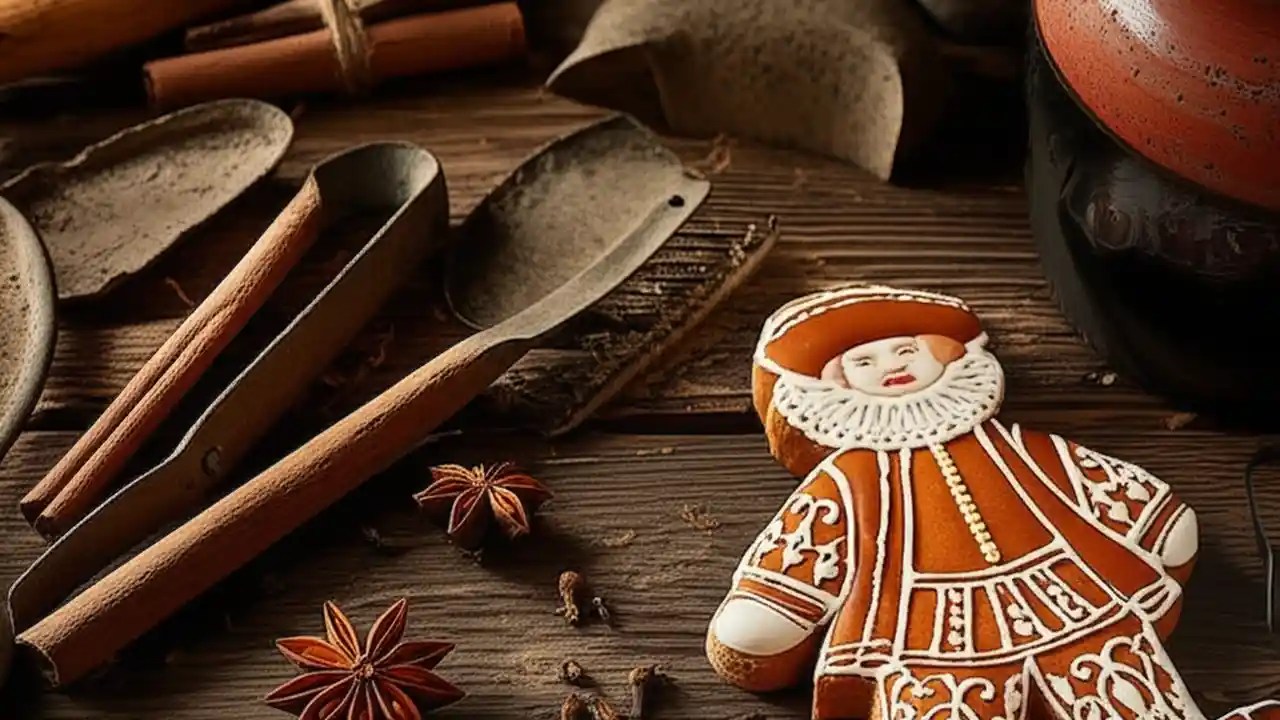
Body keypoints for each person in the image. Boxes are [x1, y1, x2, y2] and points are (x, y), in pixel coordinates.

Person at [706, 285, 1279, 720]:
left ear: (945, 355)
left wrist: (1151, 520)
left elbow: (1085, 480)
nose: (894, 366)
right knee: (942, 702)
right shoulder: (850, 478)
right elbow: (814, 537)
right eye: (864, 362)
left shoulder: (1017, 448)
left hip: (1069, 602)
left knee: (1119, 684)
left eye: (906, 348)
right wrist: (773, 605)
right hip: (924, 633)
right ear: (831, 387)